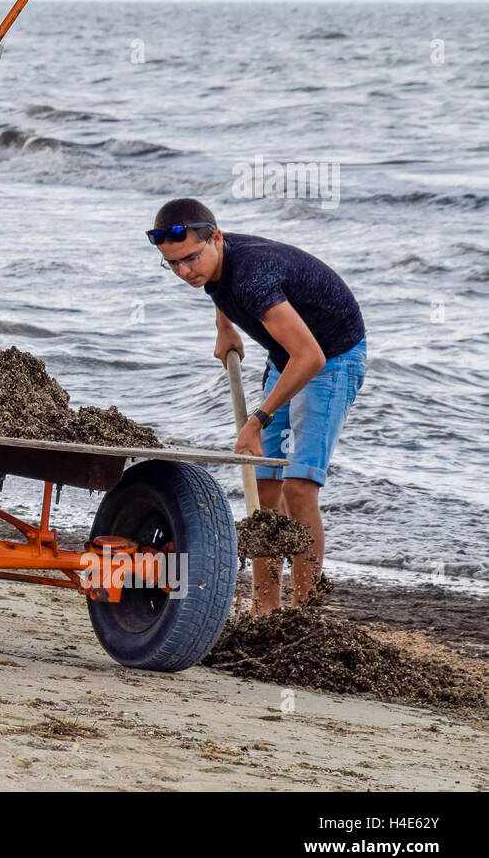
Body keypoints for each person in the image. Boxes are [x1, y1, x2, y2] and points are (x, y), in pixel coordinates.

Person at [147, 198, 367, 615]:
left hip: (332, 358)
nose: (184, 272)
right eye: (172, 264)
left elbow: (312, 358)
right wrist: (224, 326)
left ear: (216, 237)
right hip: (287, 357)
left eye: (190, 259)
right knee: (266, 486)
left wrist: (257, 419)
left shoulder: (252, 275)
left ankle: (305, 612)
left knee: (300, 485)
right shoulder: (213, 265)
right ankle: (265, 607)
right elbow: (218, 287)